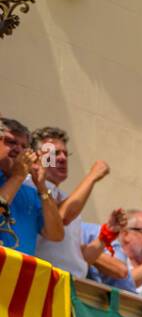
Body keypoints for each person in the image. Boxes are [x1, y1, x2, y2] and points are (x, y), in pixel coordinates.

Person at [31, 127, 115, 279]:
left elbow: (80, 260)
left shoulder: (67, 198)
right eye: (54, 153)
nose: (63, 158)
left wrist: (107, 234)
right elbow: (62, 218)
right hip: (43, 280)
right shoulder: (29, 187)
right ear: (37, 157)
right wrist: (92, 176)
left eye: (65, 153)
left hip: (71, 285)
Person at [0, 117, 64, 254]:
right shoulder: (18, 179)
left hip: (17, 273)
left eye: (24, 147)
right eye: (11, 142)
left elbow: (56, 235)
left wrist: (42, 187)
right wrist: (18, 176)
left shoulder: (31, 192)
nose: (19, 150)